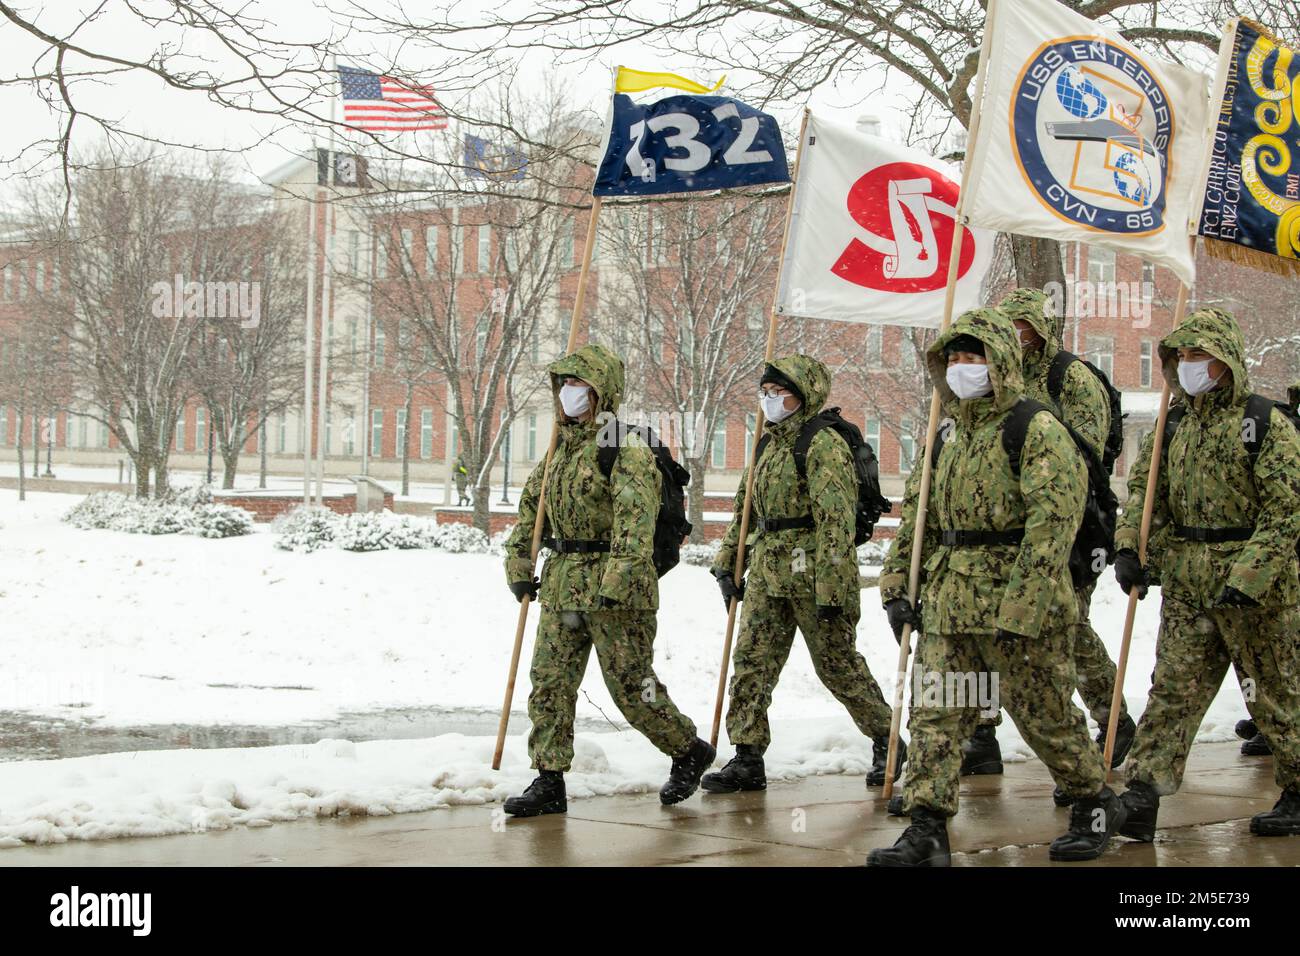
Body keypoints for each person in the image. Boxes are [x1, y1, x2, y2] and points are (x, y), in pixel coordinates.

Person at [869, 308, 1122, 866]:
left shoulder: (1035, 427)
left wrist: (1024, 607)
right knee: (934, 712)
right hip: (949, 599)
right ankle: (927, 827)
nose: (962, 368)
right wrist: (895, 585)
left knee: (1044, 713)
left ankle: (1092, 801)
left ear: (1001, 362)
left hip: (1015, 604)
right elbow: (919, 516)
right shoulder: (948, 430)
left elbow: (1052, 524)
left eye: (973, 357)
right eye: (954, 359)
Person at [501, 344, 714, 816]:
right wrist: (520, 565)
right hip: (562, 584)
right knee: (550, 682)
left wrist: (615, 585)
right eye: (564, 385)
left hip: (617, 589)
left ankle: (687, 748)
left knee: (630, 686)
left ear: (603, 392)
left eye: (580, 385)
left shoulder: (623, 447)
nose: (569, 394)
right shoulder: (559, 447)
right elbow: (531, 513)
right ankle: (549, 778)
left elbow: (634, 524)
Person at [1114, 308, 1300, 840]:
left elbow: (1286, 509)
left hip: (1255, 590)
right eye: (1182, 356)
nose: (1189, 365)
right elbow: (1147, 500)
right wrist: (1131, 547)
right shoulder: (1172, 426)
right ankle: (1143, 794)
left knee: (1275, 692)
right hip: (1189, 582)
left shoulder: (1265, 422)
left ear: (1226, 361)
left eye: (1200, 355)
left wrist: (1249, 578)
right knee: (1173, 689)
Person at [955, 289, 1135, 803]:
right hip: (994, 535)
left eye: (1022, 325)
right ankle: (981, 734)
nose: (1014, 334)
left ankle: (1112, 717)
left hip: (1065, 526)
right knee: (982, 632)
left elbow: (1085, 455)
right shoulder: (993, 374)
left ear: (1040, 327)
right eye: (1005, 324)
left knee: (1067, 629)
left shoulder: (1069, 377)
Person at [703, 355, 900, 793]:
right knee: (751, 663)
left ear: (803, 394)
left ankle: (887, 740)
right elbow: (745, 510)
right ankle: (747, 755)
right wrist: (727, 562)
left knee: (837, 666)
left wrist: (832, 589)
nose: (770, 400)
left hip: (814, 575)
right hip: (769, 575)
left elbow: (835, 520)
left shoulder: (822, 443)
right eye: (766, 392)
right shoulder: (767, 443)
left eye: (779, 392)